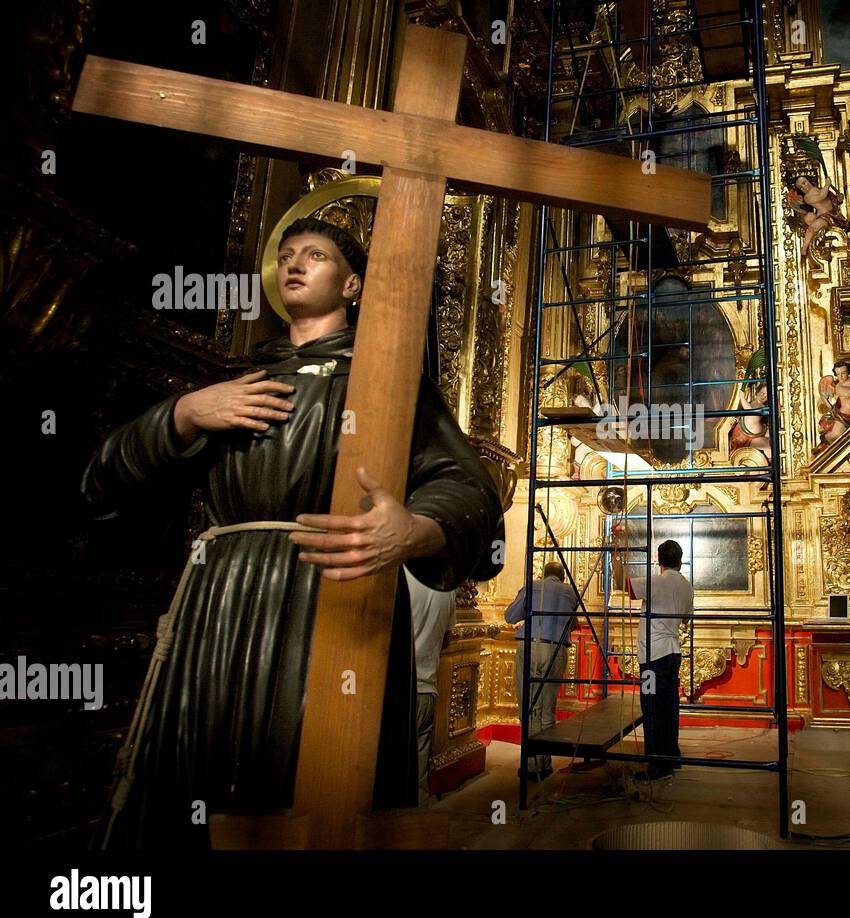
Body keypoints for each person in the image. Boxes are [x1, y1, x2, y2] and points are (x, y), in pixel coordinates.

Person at [84, 216, 504, 847]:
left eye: (316, 255)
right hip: (220, 602)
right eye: (286, 255)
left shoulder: (386, 382)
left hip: (329, 595)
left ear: (353, 283)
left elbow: (470, 489)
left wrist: (416, 529)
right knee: (197, 778)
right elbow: (101, 483)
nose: (295, 265)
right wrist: (183, 414)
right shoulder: (239, 383)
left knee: (314, 776)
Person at [505, 561, 580, 781]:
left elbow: (510, 616)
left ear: (543, 573)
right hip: (556, 648)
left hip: (529, 645)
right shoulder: (570, 592)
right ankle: (544, 765)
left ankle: (530, 766)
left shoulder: (532, 586)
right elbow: (573, 623)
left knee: (529, 707)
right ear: (562, 577)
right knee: (548, 709)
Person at [627, 540, 693, 781]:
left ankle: (655, 764)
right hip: (673, 652)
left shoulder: (655, 581)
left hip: (652, 656)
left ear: (658, 559)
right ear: (680, 559)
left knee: (651, 708)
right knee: (670, 706)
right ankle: (671, 756)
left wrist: (617, 550)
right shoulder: (687, 586)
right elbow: (686, 619)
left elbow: (623, 585)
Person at [405, 570, 457, 806]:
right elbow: (446, 639)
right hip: (428, 687)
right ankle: (419, 815)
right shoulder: (448, 587)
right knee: (420, 758)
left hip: (399, 688)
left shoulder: (401, 576)